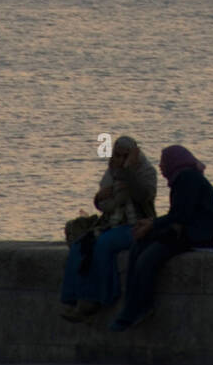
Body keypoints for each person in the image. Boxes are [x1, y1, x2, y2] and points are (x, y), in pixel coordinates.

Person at [110, 144, 213, 332]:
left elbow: (182, 215)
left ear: (175, 162)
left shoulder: (187, 178)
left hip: (198, 235)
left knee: (149, 257)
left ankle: (142, 307)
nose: (161, 166)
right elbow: (178, 214)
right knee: (138, 247)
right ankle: (131, 306)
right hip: (186, 231)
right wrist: (152, 223)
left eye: (164, 162)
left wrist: (152, 224)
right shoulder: (182, 178)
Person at [60, 136, 157, 321]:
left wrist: (128, 172)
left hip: (136, 225)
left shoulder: (146, 172)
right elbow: (104, 205)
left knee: (104, 244)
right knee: (81, 244)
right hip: (110, 224)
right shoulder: (111, 174)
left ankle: (99, 296)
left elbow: (143, 196)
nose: (119, 160)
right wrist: (98, 198)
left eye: (124, 156)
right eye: (117, 155)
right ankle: (73, 298)